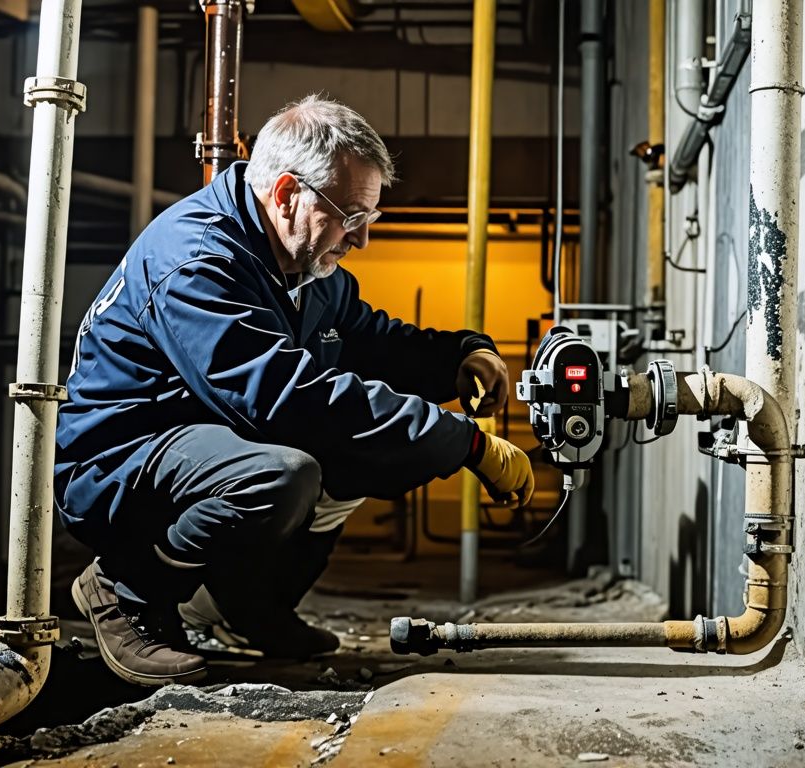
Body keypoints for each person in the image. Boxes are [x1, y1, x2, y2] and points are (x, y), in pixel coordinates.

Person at [55, 94, 536, 686]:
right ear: (286, 195)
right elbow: (283, 397)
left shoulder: (306, 269)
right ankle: (126, 590)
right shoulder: (196, 260)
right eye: (351, 217)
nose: (362, 240)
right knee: (283, 474)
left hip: (205, 442)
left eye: (370, 218)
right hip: (120, 460)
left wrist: (462, 356)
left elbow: (374, 341)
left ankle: (251, 608)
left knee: (361, 457)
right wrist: (465, 443)